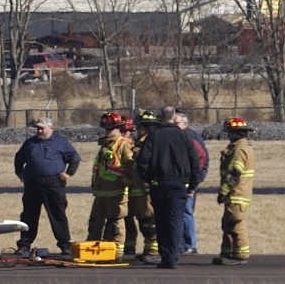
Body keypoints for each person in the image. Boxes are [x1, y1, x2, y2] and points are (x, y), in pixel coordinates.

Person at [135, 105, 201, 269]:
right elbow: (195, 162)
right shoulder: (185, 136)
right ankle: (173, 255)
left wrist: (149, 179)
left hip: (159, 185)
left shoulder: (154, 136)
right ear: (173, 117)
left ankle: (166, 256)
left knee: (161, 221)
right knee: (175, 221)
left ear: (161, 117)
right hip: (179, 185)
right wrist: (192, 186)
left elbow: (143, 161)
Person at [13, 117, 81, 258]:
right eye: (37, 127)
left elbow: (74, 158)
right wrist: (20, 172)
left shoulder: (61, 142)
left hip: (53, 184)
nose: (39, 130)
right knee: (28, 215)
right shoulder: (30, 142)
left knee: (58, 214)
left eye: (42, 128)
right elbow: (19, 157)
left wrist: (68, 173)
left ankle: (64, 244)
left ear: (51, 128)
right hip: (32, 184)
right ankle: (24, 245)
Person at [86, 111, 133, 259]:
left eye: (110, 128)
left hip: (116, 191)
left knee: (115, 223)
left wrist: (125, 182)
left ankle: (117, 252)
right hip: (101, 191)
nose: (107, 131)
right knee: (95, 222)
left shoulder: (124, 144)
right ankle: (92, 250)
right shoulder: (105, 144)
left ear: (119, 128)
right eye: (105, 129)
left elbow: (131, 168)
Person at [214, 117, 256, 265]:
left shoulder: (239, 150)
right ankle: (227, 253)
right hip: (238, 194)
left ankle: (239, 255)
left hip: (236, 194)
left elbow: (234, 174)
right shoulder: (243, 147)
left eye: (230, 133)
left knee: (235, 224)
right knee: (228, 223)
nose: (228, 136)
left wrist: (223, 191)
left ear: (234, 133)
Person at [125, 110, 160, 264]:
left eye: (139, 127)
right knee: (144, 221)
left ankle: (154, 252)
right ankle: (148, 250)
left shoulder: (149, 143)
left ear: (144, 127)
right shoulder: (141, 143)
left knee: (149, 223)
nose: (136, 131)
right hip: (139, 191)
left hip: (147, 191)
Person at [175, 110, 209, 255]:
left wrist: (197, 180)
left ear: (185, 123)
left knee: (186, 212)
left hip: (188, 182)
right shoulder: (178, 135)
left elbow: (202, 159)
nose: (173, 125)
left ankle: (190, 245)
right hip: (181, 181)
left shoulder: (190, 137)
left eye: (176, 123)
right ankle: (181, 245)